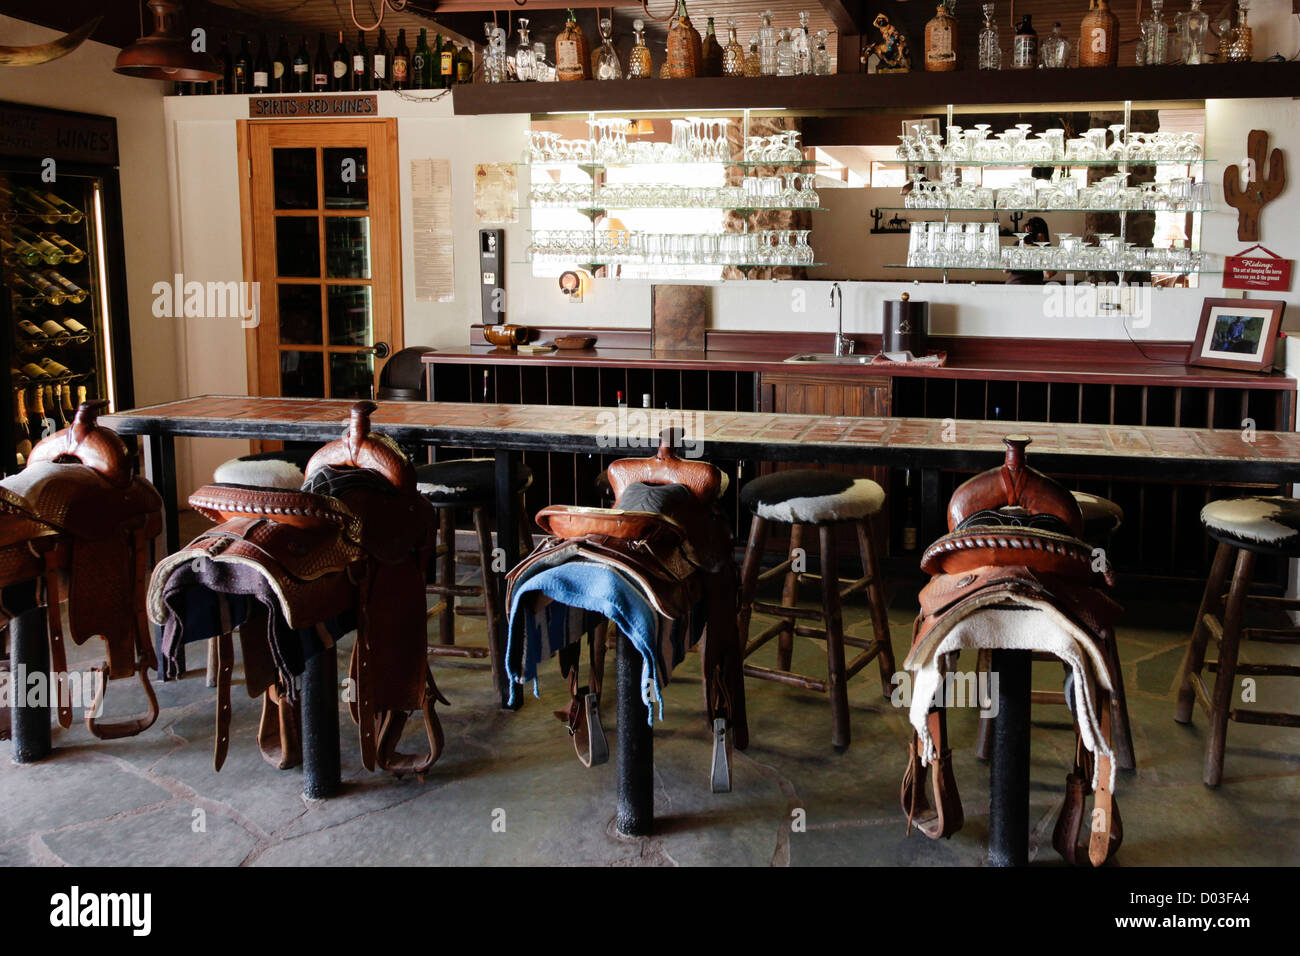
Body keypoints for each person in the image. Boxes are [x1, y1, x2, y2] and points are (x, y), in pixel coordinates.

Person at [1005, 216, 1051, 285]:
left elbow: (1048, 274)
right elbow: (1005, 270)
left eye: (1033, 234)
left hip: (1033, 290)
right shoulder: (1018, 245)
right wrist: (1022, 249)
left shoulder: (1048, 251)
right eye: (1028, 234)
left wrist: (1041, 247)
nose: (1030, 237)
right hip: (1013, 286)